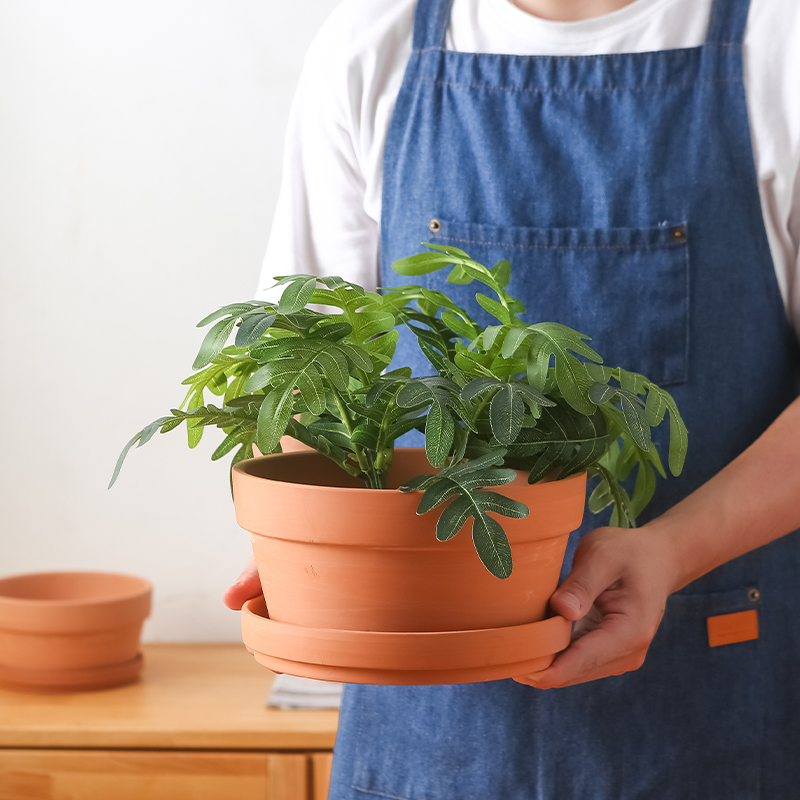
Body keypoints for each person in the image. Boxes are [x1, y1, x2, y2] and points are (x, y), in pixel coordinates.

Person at [224, 0, 800, 796]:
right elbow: (304, 362)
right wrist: (310, 552)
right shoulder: (373, 44)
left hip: (708, 698)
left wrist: (669, 551)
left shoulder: (778, 41)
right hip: (427, 730)